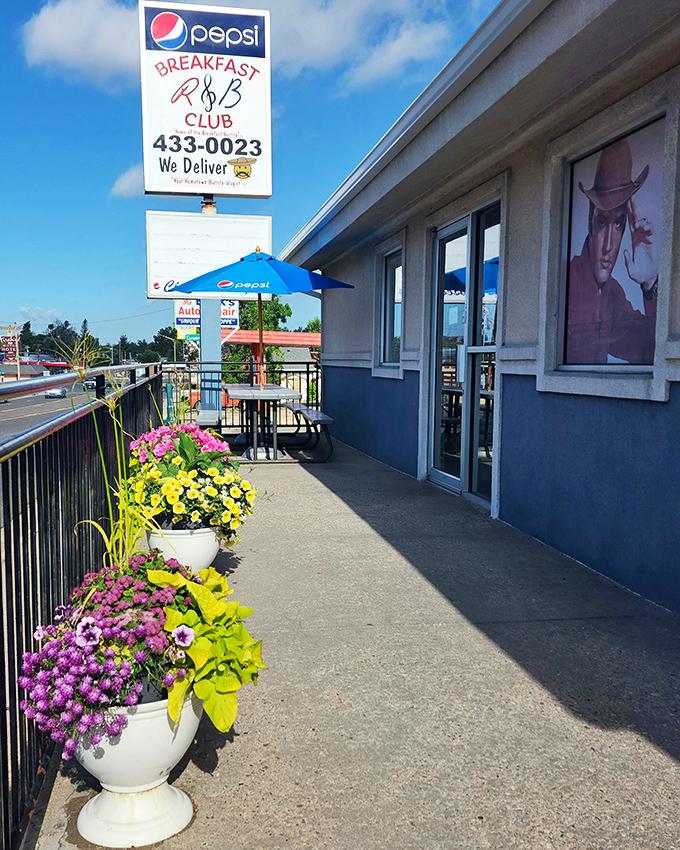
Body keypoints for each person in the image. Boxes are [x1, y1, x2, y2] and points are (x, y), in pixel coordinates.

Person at [566, 137, 658, 365]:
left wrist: (650, 285)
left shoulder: (611, 293)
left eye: (618, 224)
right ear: (589, 221)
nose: (608, 245)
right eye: (601, 222)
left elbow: (648, 352)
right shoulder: (568, 280)